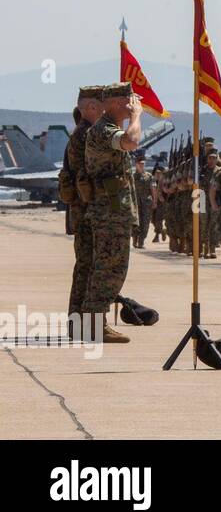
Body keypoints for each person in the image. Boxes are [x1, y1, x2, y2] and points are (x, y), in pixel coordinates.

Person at [81, 83, 144, 343]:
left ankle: (95, 322)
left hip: (113, 211)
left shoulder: (108, 128)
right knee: (109, 268)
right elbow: (131, 141)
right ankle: (94, 324)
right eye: (129, 99)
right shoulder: (104, 130)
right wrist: (138, 116)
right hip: (109, 213)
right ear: (117, 103)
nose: (133, 103)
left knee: (111, 267)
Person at [63, 86, 103, 319]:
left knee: (85, 265)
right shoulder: (85, 134)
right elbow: (87, 174)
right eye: (100, 105)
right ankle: (80, 319)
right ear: (89, 108)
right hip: (86, 210)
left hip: (83, 210)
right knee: (87, 266)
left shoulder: (81, 133)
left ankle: (77, 318)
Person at [131, 153, 155, 248]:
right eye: (140, 163)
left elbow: (153, 189)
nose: (142, 165)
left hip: (146, 203)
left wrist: (155, 201)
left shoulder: (149, 176)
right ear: (136, 164)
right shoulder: (132, 177)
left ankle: (141, 241)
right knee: (136, 222)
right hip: (135, 202)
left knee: (145, 222)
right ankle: (135, 238)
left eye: (143, 164)